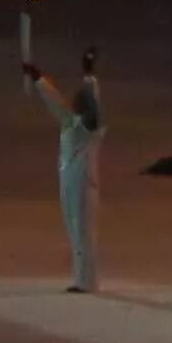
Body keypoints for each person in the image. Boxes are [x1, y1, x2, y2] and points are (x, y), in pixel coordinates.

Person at [25, 46, 105, 291]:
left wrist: (90, 76)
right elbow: (55, 101)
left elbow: (92, 101)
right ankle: (81, 279)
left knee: (82, 231)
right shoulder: (71, 121)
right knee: (74, 230)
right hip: (69, 181)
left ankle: (87, 281)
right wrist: (38, 78)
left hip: (82, 183)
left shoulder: (90, 129)